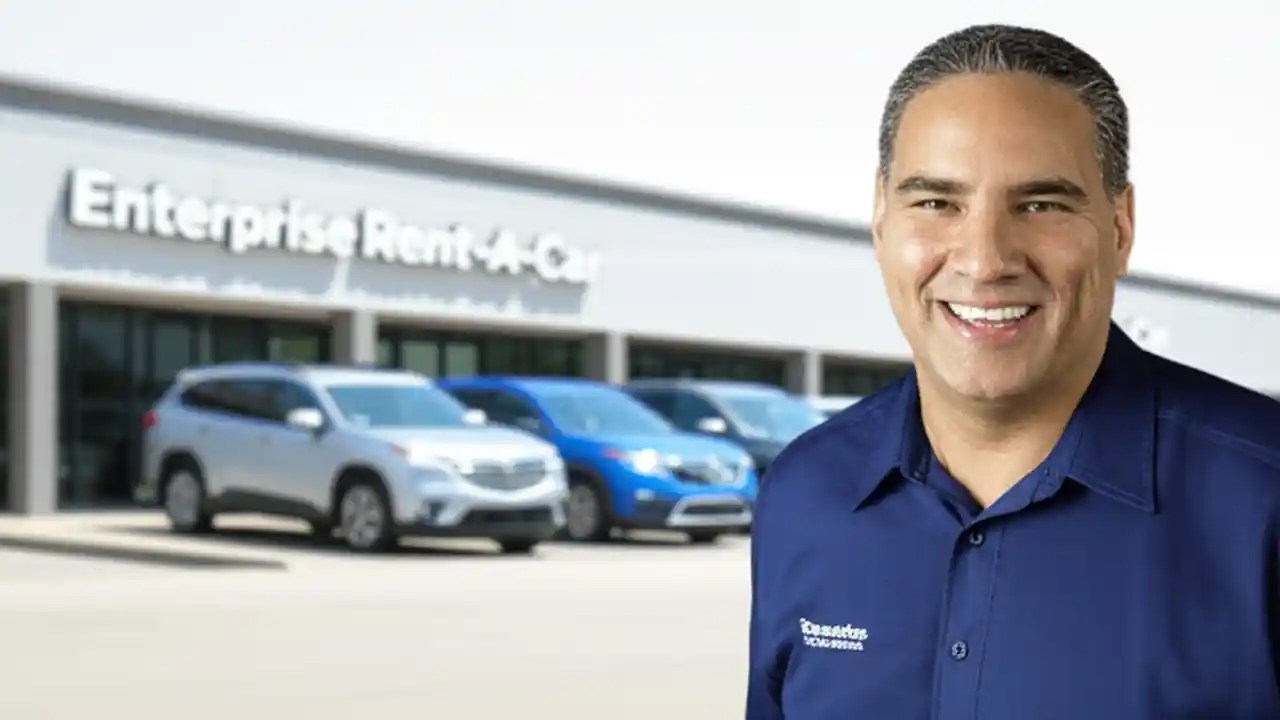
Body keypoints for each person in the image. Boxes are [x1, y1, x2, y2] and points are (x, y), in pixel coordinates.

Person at [745, 23, 1280, 719]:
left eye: (1041, 204)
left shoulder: (1264, 501)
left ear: (1119, 227)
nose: (984, 258)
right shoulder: (804, 493)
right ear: (881, 218)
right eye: (937, 202)